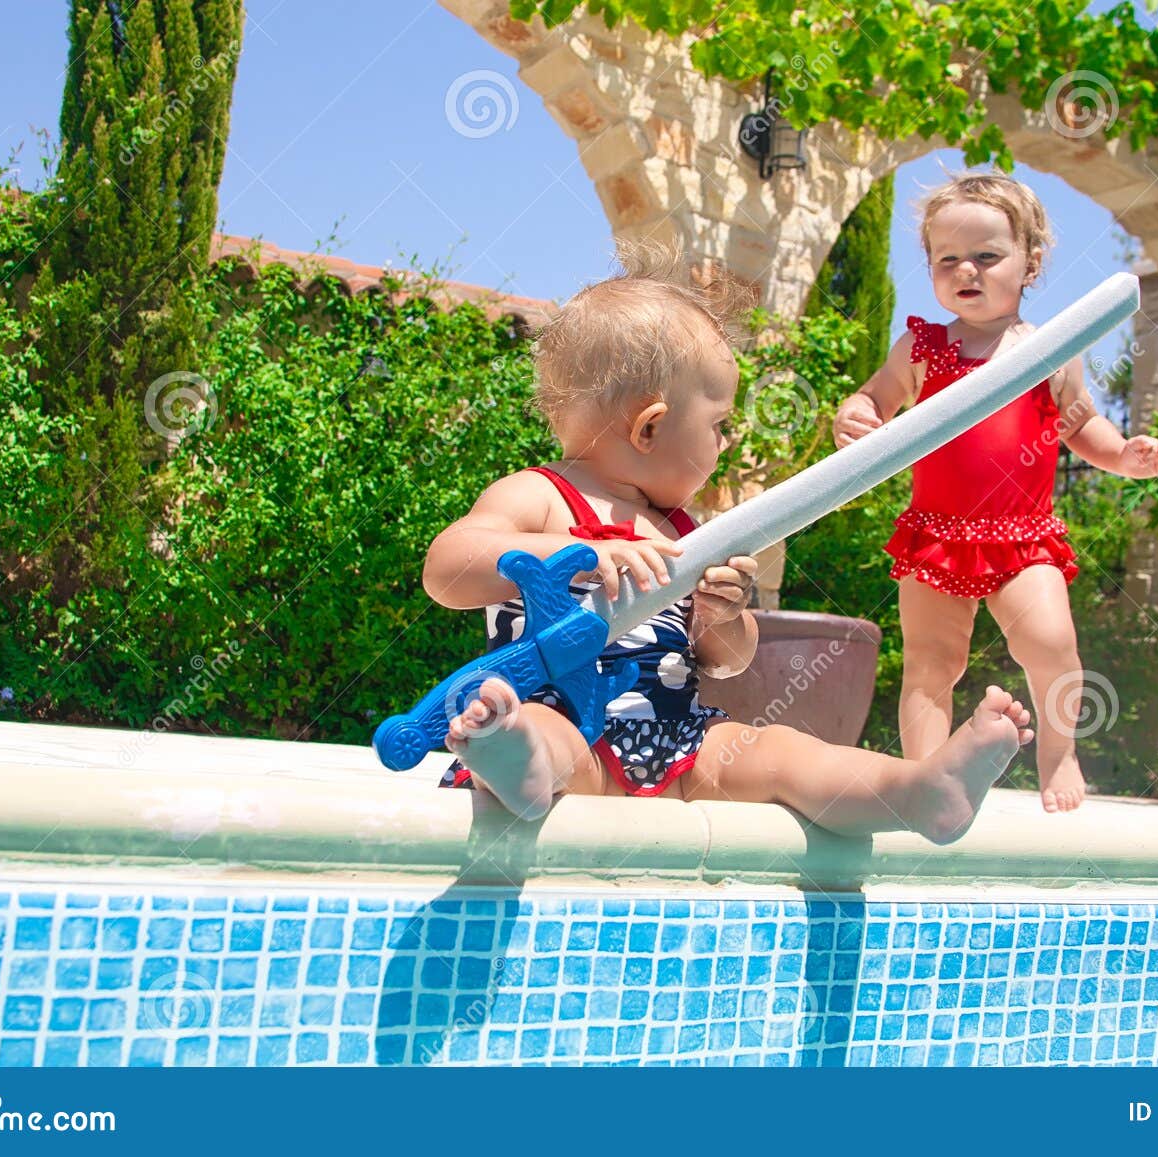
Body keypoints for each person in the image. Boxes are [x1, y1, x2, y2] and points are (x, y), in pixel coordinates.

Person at [420, 245, 1032, 843]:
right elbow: (447, 571)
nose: (725, 443)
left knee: (781, 752)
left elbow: (726, 660)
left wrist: (723, 616)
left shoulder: (685, 531)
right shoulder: (541, 497)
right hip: (567, 724)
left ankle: (916, 792)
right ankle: (513, 758)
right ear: (650, 426)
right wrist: (577, 553)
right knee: (537, 731)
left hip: (678, 740)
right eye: (718, 425)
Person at [833, 172, 1158, 813]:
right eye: (948, 259)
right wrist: (855, 412)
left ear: (1031, 264)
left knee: (1051, 644)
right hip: (935, 532)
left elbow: (1085, 430)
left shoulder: (1050, 351)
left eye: (988, 256)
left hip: (1022, 538)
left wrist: (1128, 456)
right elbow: (876, 398)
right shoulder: (922, 348)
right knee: (931, 667)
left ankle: (1059, 753)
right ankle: (928, 781)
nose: (967, 269)